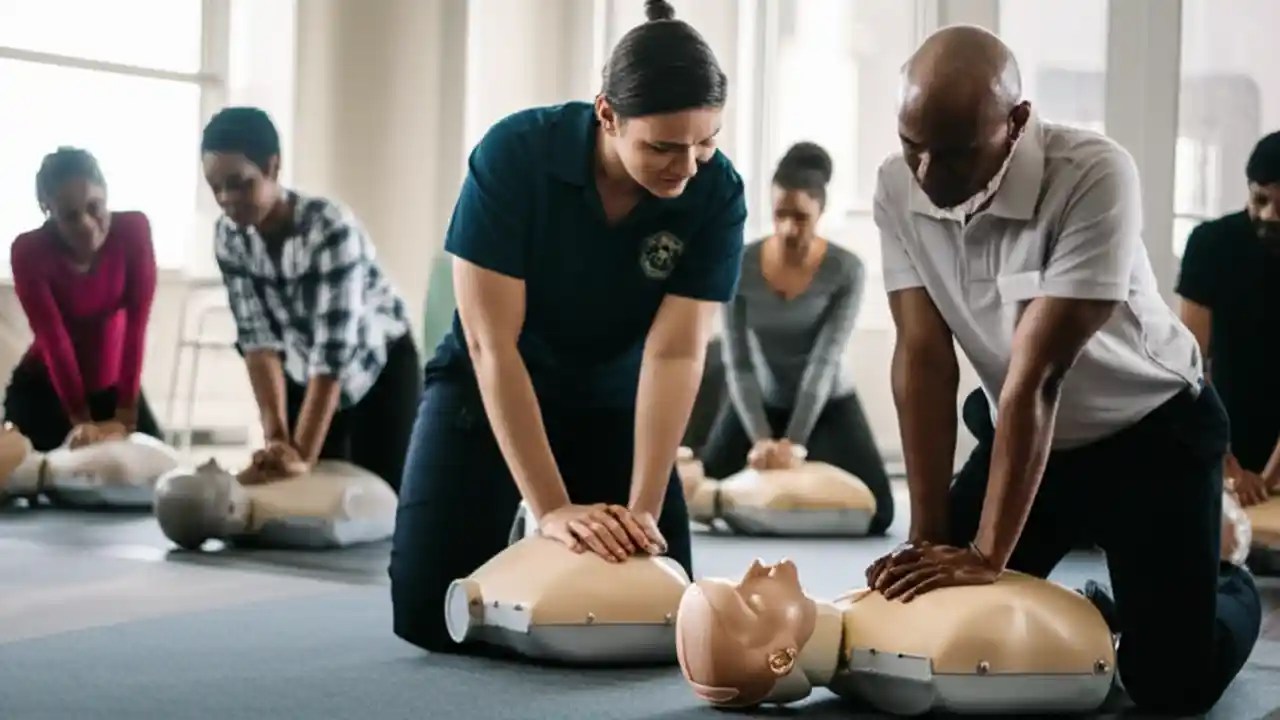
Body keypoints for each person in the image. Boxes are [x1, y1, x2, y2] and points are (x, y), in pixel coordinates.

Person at [862, 25, 1261, 716]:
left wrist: (986, 554)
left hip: (1151, 435)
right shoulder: (897, 186)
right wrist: (929, 535)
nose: (927, 173)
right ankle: (1118, 599)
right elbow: (923, 358)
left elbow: (1038, 375)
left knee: (1171, 686)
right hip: (1027, 440)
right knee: (923, 616)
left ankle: (1224, 579)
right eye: (911, 145)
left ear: (1016, 122)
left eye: (953, 153)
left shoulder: (1094, 174)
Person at [389, 0, 746, 654]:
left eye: (706, 142)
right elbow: (491, 345)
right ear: (607, 114)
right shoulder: (514, 155)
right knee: (430, 616)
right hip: (487, 387)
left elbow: (674, 354)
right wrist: (551, 509)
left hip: (612, 397)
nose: (687, 166)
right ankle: (521, 538)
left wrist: (642, 511)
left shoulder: (717, 190)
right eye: (663, 147)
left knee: (658, 613)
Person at [200, 106, 421, 491]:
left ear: (272, 167)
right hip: (304, 365)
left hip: (376, 367)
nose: (226, 199)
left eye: (238, 184)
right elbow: (257, 343)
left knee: (383, 497)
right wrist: (277, 442)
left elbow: (333, 353)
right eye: (215, 187)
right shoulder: (229, 236)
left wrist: (300, 458)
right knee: (305, 492)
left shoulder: (329, 227)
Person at [701, 142, 894, 534]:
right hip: (759, 400)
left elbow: (824, 361)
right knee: (702, 497)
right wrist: (761, 440)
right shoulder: (739, 263)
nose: (789, 227)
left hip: (827, 401)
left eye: (801, 217)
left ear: (821, 211)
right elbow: (738, 361)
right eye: (780, 215)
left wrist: (792, 444)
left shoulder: (847, 269)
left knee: (880, 513)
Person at [4, 147, 161, 452]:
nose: (87, 225)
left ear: (106, 193)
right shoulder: (29, 251)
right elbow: (55, 340)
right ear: (47, 209)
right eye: (70, 215)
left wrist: (126, 413)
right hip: (45, 389)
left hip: (114, 389)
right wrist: (81, 422)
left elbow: (136, 326)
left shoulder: (133, 231)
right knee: (30, 473)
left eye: (94, 207)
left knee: (160, 470)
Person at [1177, 131, 1280, 508]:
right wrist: (1225, 460)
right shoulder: (1211, 244)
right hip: (1220, 421)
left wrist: (1269, 478)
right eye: (1260, 200)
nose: (1269, 215)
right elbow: (1189, 365)